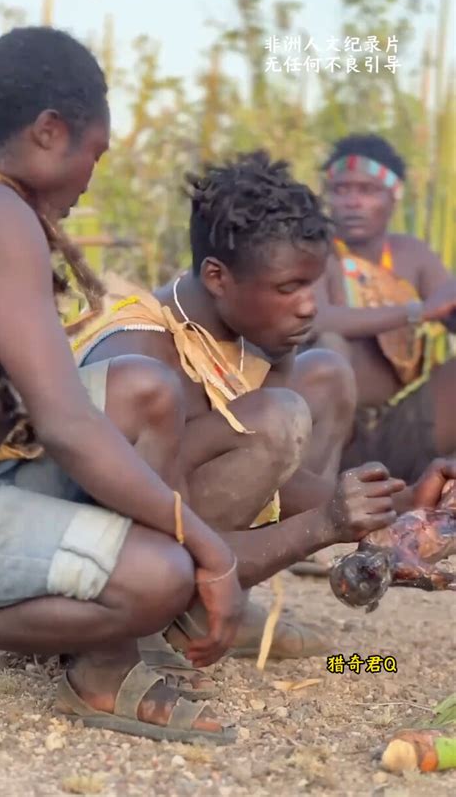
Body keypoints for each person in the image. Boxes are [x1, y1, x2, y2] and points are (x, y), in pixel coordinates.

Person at [0, 30, 408, 742]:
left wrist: (387, 513)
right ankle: (105, 665)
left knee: (142, 397)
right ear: (49, 133)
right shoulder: (0, 215)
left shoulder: (7, 215)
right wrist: (207, 553)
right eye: (97, 151)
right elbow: (64, 423)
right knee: (160, 574)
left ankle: (142, 624)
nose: (94, 171)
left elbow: (61, 417)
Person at [70, 150, 424, 659]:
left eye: (311, 283)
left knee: (324, 373)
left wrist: (402, 503)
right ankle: (168, 622)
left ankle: (221, 604)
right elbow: (147, 539)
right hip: (113, 565)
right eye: (288, 287)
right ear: (217, 277)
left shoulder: (238, 331)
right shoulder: (141, 357)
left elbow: (279, 486)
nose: (309, 304)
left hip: (188, 525)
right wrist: (325, 523)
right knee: (277, 417)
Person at [313, 134, 456, 484]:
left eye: (366, 190)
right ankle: (319, 493)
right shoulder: (316, 252)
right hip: (332, 441)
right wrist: (416, 311)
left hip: (401, 429)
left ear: (394, 196)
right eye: (341, 190)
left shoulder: (413, 255)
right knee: (330, 345)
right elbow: (316, 318)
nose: (351, 202)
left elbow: (448, 310)